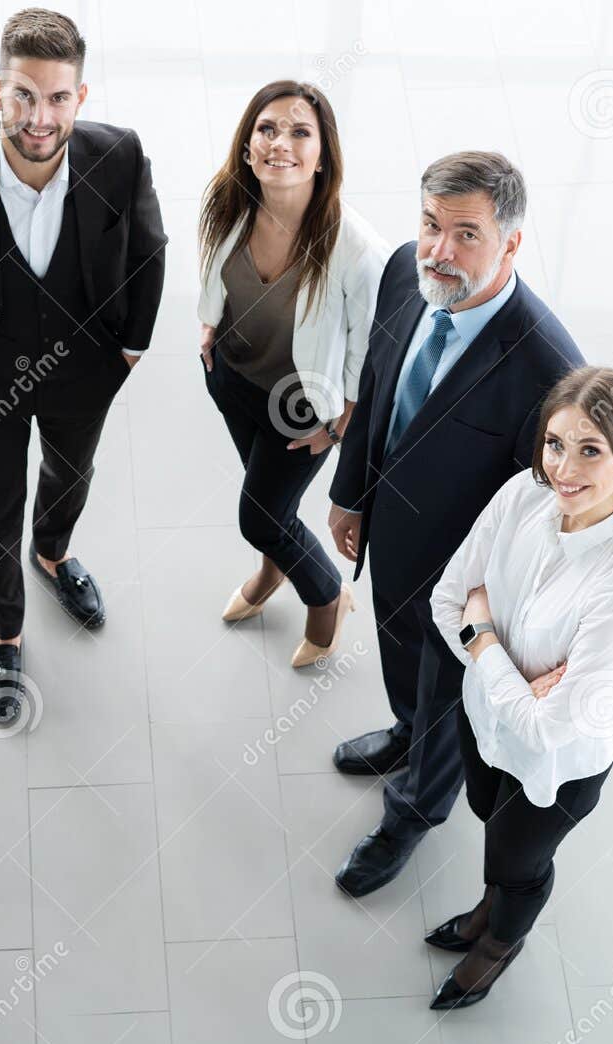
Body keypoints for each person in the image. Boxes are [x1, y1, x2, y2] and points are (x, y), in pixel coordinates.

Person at [0, 7, 166, 727]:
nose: (40, 116)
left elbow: (148, 250)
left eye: (58, 97)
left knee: (71, 473)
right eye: (24, 95)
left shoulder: (121, 155)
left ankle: (52, 554)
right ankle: (5, 628)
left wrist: (131, 348)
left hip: (88, 365)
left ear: (81, 97)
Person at [327, 151, 584, 898]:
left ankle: (413, 810)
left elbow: (546, 513)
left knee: (446, 694)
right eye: (432, 225)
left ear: (511, 243)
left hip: (468, 582)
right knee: (401, 662)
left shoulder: (548, 371)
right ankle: (405, 731)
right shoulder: (407, 271)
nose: (439, 250)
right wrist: (350, 496)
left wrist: (493, 610)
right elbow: (376, 388)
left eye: (466, 234)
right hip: (389, 536)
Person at [424, 366, 613, 1009]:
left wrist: (484, 638)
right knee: (482, 812)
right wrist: (511, 674)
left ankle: (500, 943)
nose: (563, 468)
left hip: (557, 767)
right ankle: (487, 910)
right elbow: (448, 602)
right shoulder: (524, 496)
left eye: (591, 450)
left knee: (517, 863)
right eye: (555, 443)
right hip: (484, 721)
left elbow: (551, 727)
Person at [198, 80, 384, 667]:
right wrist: (210, 324)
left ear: (323, 155)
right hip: (229, 378)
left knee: (258, 515)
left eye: (301, 132)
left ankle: (327, 596)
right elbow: (215, 272)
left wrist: (337, 428)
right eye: (267, 129)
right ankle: (270, 569)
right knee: (269, 503)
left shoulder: (356, 248)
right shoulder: (231, 203)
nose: (281, 143)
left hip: (300, 410)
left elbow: (370, 346)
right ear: (248, 146)